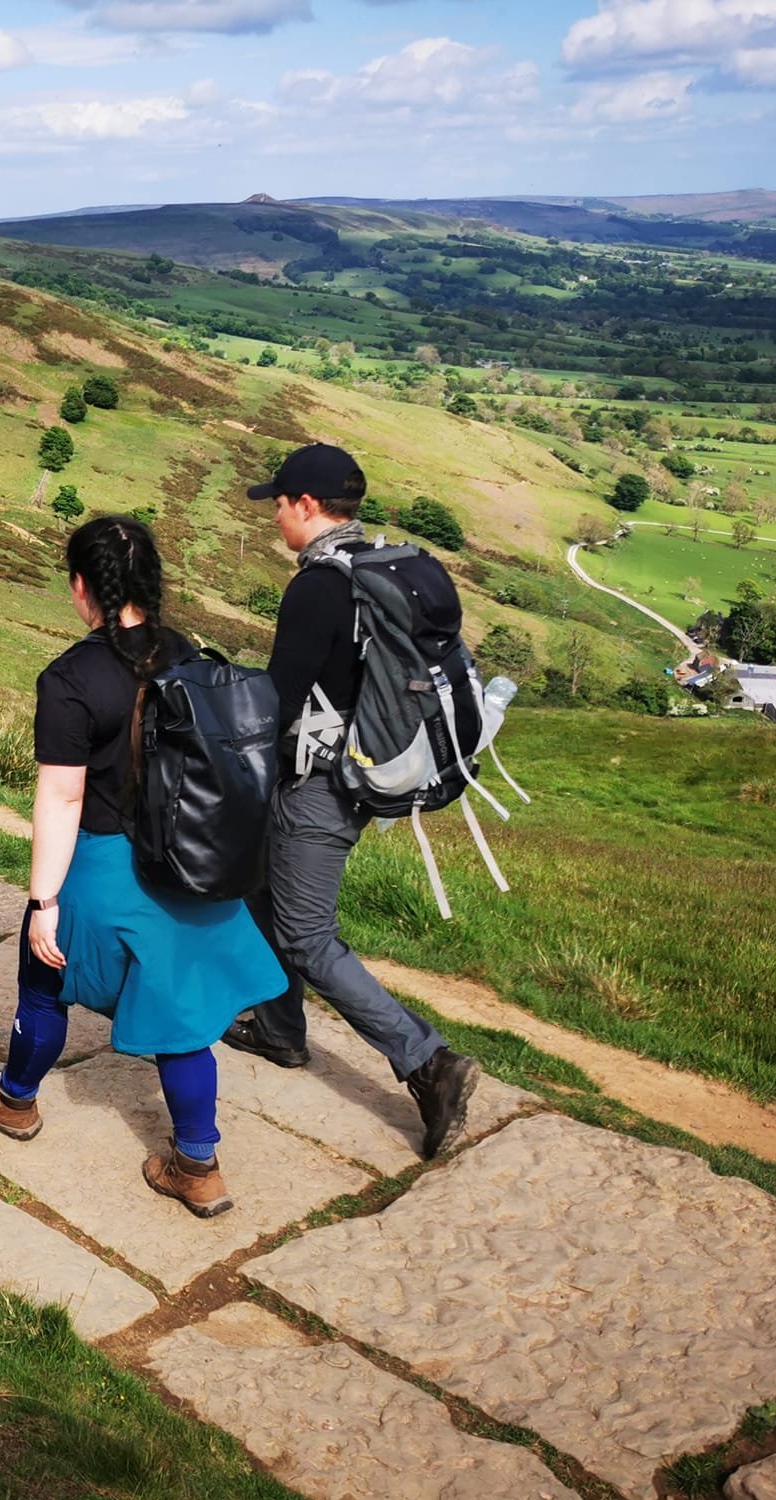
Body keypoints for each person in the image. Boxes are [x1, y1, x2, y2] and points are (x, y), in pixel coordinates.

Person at [0, 516, 284, 1218]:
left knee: (42, 981)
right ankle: (197, 1165)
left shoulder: (69, 678)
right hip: (193, 868)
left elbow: (63, 796)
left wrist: (42, 901)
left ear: (82, 589)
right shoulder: (189, 652)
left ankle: (13, 1101)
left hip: (108, 868)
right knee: (185, 1021)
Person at [227, 443, 479, 1159]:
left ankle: (429, 1062)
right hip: (348, 774)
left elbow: (279, 697)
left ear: (306, 506)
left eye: (278, 503)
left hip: (319, 788)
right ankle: (279, 1029)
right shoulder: (370, 570)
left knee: (306, 934)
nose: (274, 515)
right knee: (260, 896)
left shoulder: (318, 587)